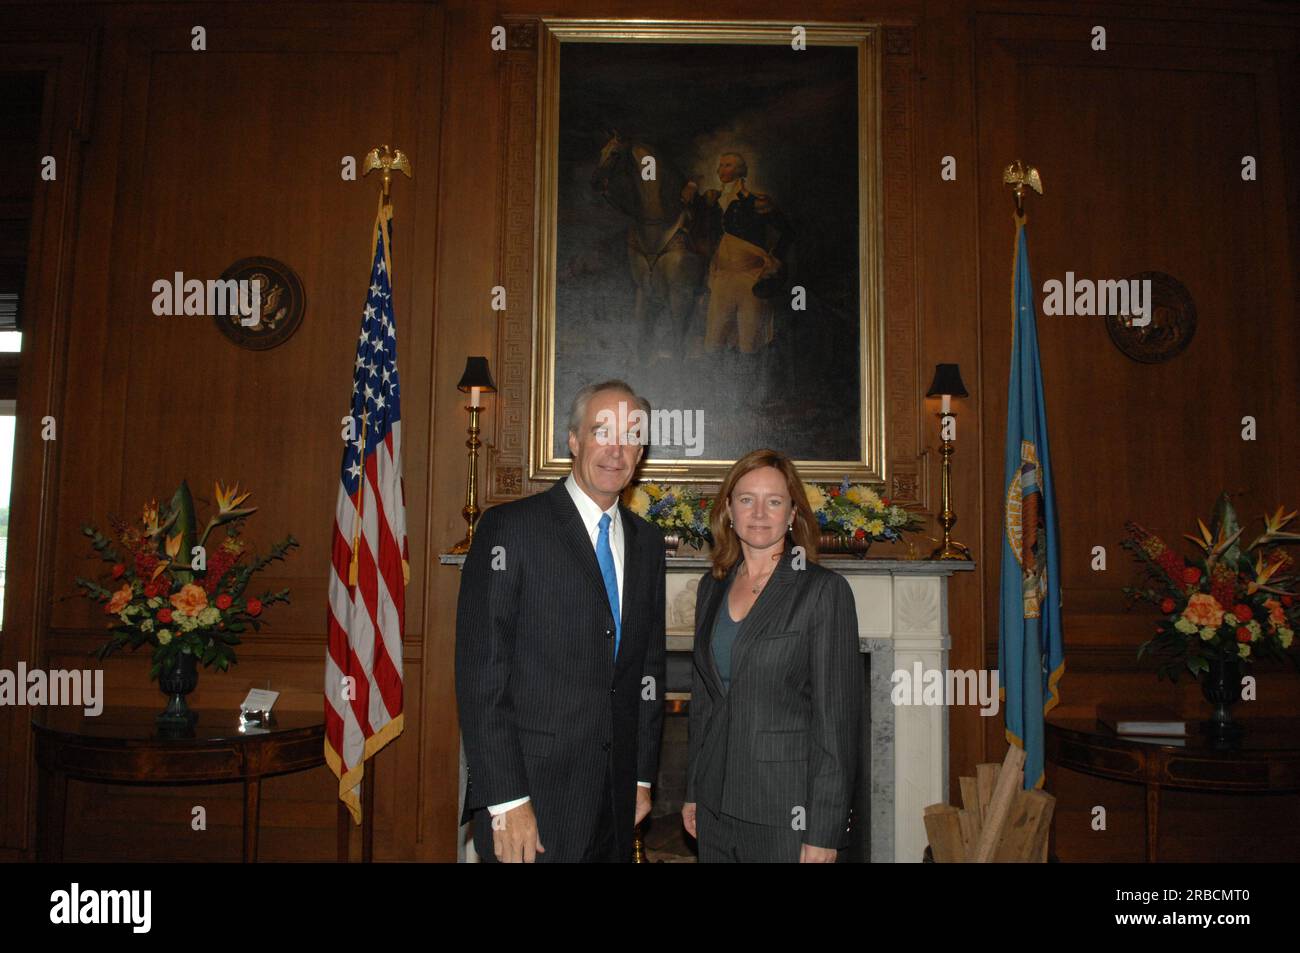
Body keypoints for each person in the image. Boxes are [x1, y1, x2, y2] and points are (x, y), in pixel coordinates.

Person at [456, 380, 667, 862]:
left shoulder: (647, 543)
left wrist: (639, 776)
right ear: (572, 440)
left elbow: (648, 669)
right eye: (602, 431)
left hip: (614, 802)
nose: (617, 450)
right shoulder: (511, 529)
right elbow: (481, 677)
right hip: (531, 798)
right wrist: (507, 803)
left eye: (631, 434)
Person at [682, 449, 861, 862]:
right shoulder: (713, 587)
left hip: (785, 813)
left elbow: (836, 725)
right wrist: (693, 790)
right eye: (746, 499)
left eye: (774, 501)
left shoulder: (822, 592)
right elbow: (705, 703)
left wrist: (825, 830)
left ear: (793, 511)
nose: (759, 512)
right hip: (714, 804)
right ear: (728, 508)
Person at [683, 152, 792, 354]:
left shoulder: (756, 202)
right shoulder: (712, 201)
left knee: (749, 344)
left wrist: (774, 261)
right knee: (714, 342)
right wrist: (691, 186)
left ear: (740, 171)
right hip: (721, 277)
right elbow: (693, 220)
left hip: (749, 278)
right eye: (721, 165)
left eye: (728, 165)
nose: (722, 169)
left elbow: (787, 231)